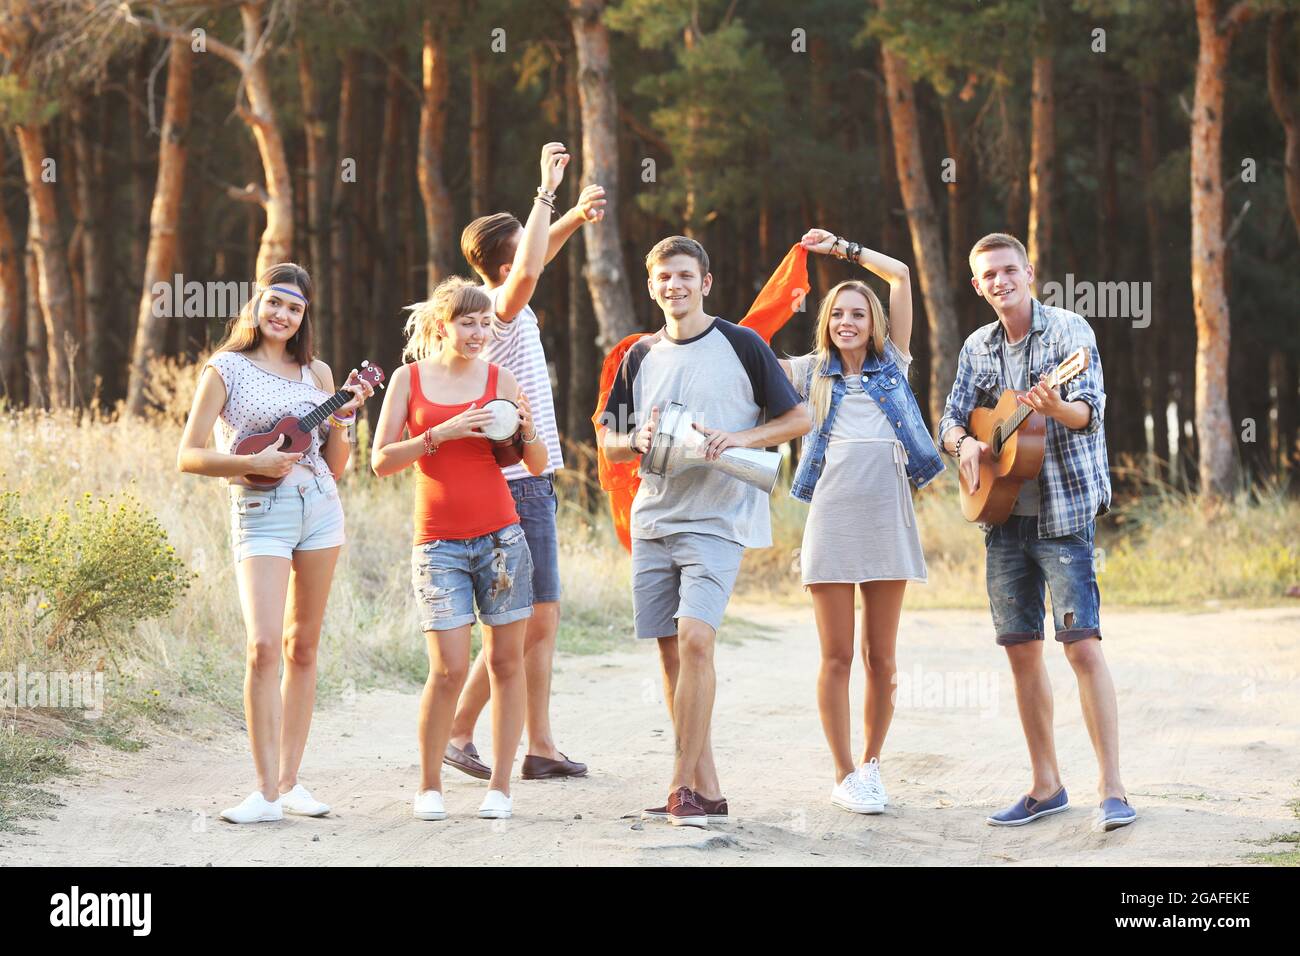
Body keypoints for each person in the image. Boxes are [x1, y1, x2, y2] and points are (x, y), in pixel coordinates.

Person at [599, 236, 811, 827]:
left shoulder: (743, 345)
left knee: (696, 641)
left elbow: (799, 416)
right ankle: (705, 788)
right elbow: (608, 439)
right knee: (671, 655)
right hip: (654, 518)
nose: (675, 286)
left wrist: (739, 438)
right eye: (664, 277)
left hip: (719, 519)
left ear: (706, 282)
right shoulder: (638, 356)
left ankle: (676, 786)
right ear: (651, 286)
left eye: (686, 276)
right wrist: (633, 440)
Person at [938, 232, 1135, 831]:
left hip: (1064, 515)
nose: (1000, 282)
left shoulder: (1070, 334)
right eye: (987, 276)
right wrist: (967, 443)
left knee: (1082, 647)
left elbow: (1090, 411)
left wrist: (1055, 408)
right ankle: (1046, 785)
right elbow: (949, 417)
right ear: (978, 286)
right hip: (1001, 517)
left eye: (1008, 270)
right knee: (1021, 651)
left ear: (1029, 272)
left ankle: (1113, 789)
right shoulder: (977, 346)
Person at [177, 262, 375, 824]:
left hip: (320, 510)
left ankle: (290, 783)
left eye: (294, 307)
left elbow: (335, 466)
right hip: (261, 511)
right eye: (274, 302)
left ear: (304, 315)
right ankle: (263, 794)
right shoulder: (226, 368)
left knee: (302, 648)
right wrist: (250, 461)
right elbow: (188, 454)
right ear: (256, 305)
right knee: (263, 647)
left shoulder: (318, 373)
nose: (282, 315)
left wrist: (346, 419)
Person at [443, 141, 606, 783]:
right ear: (511, 261)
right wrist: (548, 191)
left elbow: (533, 264)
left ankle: (540, 745)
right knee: (529, 618)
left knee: (539, 619)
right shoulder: (497, 313)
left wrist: (566, 220)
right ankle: (460, 731)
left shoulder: (499, 306)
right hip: (518, 483)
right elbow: (530, 273)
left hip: (528, 479)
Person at [371, 274, 548, 822]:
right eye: (467, 322)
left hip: (501, 537)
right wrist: (441, 434)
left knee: (504, 663)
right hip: (438, 542)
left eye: (485, 324)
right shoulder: (408, 379)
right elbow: (380, 462)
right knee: (447, 668)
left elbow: (534, 464)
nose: (478, 332)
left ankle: (500, 788)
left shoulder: (502, 377)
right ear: (442, 325)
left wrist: (524, 428)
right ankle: (429, 787)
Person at [779, 228, 944, 815]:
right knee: (836, 657)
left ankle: (873, 766)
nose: (847, 321)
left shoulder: (894, 363)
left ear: (874, 323)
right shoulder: (804, 373)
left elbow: (900, 272)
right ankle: (843, 772)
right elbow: (745, 355)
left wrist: (843, 251)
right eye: (837, 313)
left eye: (857, 313)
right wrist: (780, 302)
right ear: (824, 321)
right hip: (832, 519)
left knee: (882, 657)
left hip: (887, 519)